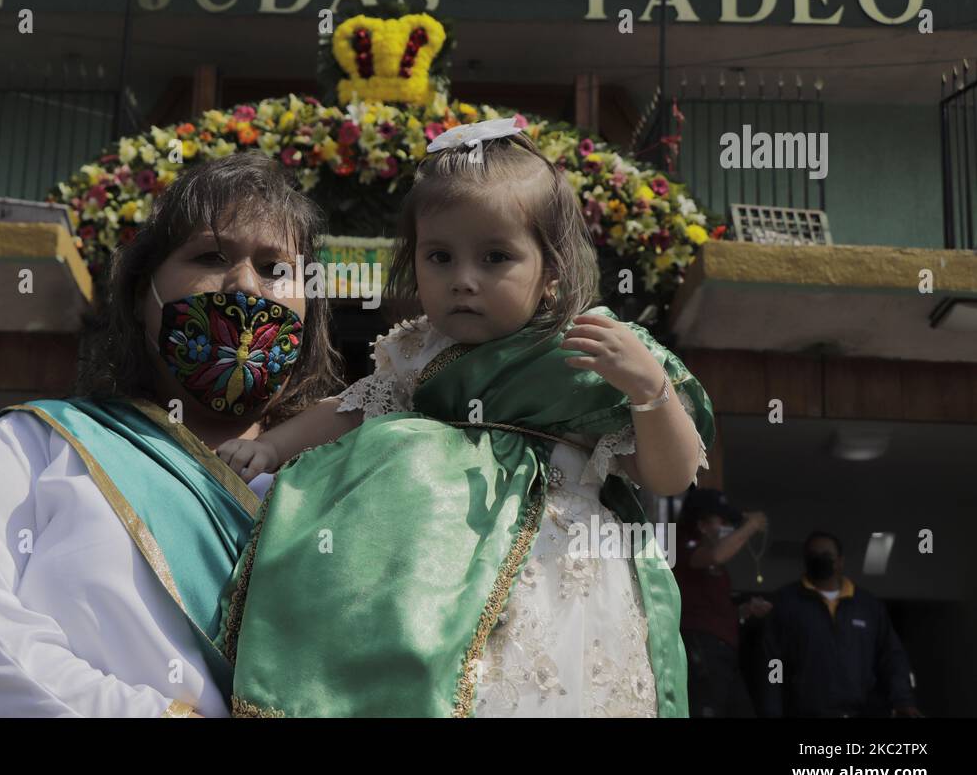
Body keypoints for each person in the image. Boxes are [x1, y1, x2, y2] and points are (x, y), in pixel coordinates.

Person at [216, 119, 714, 717]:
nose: (464, 281)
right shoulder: (417, 351)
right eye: (440, 257)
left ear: (552, 268)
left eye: (496, 257)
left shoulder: (586, 348)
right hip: (425, 578)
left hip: (558, 573)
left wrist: (648, 387)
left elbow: (670, 476)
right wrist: (271, 448)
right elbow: (353, 408)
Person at [0, 153, 344, 716]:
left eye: (276, 268)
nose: (245, 284)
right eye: (210, 256)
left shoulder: (348, 477)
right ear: (139, 297)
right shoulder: (39, 447)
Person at [759, 530, 921, 717]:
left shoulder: (867, 606)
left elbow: (891, 657)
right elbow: (772, 660)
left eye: (826, 555)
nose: (820, 559)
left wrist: (903, 700)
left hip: (861, 712)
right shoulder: (786, 602)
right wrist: (771, 711)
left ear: (840, 561)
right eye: (814, 556)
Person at [673, 488, 769, 717]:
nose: (726, 526)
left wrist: (745, 610)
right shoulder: (681, 543)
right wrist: (751, 526)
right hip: (699, 645)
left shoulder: (718, 568)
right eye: (721, 520)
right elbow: (716, 554)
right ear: (702, 523)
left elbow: (714, 608)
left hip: (723, 650)